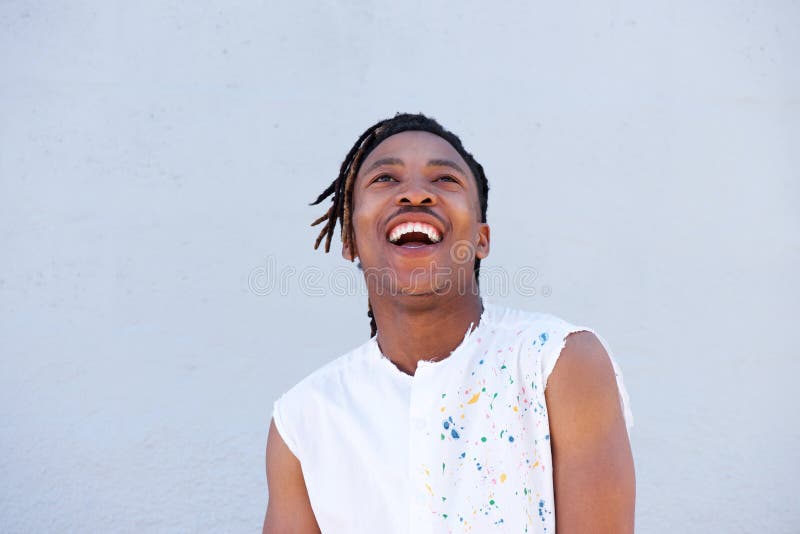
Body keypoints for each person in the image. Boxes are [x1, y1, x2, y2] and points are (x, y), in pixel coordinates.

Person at [262, 113, 635, 533]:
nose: (416, 194)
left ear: (481, 239)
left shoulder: (556, 363)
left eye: (445, 180)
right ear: (349, 240)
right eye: (385, 179)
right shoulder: (305, 419)